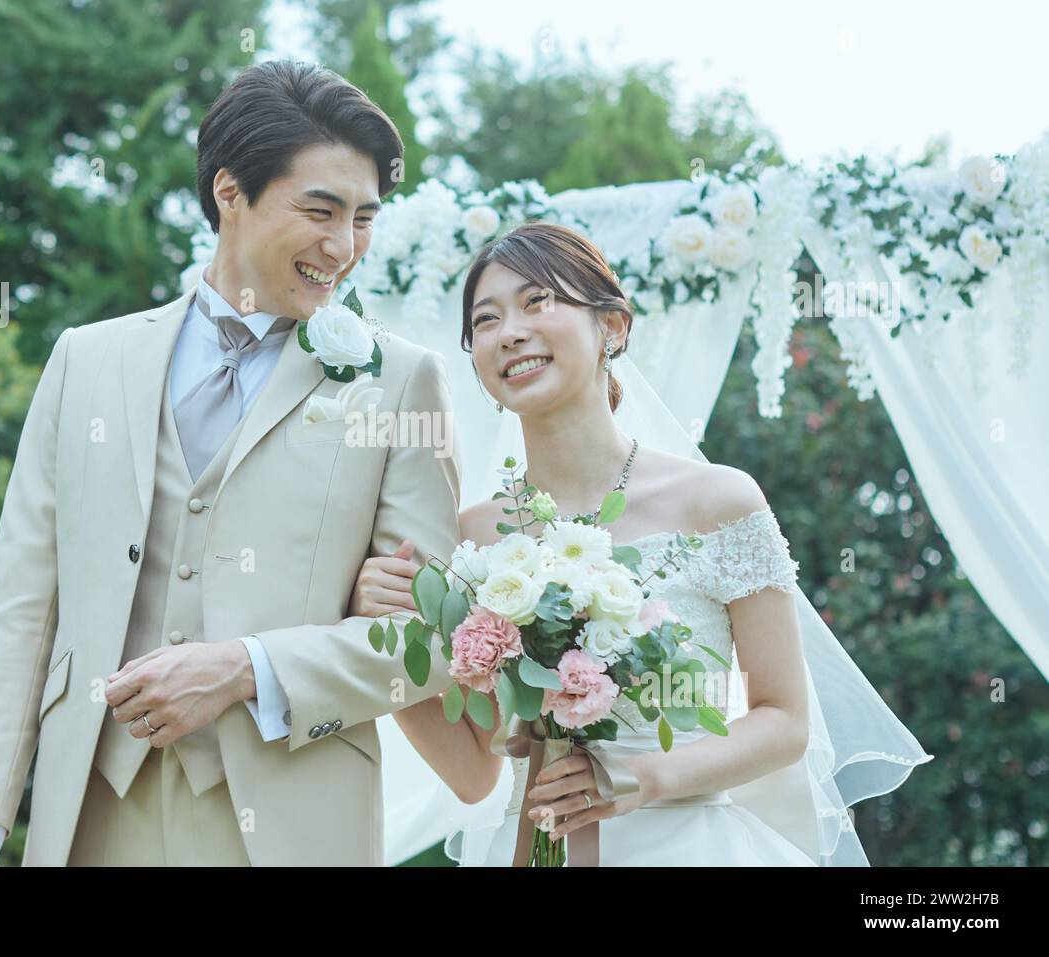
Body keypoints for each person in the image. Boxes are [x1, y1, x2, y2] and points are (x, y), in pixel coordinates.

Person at [0, 60, 462, 866]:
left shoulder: (400, 381)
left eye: (362, 217)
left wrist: (250, 668)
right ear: (229, 193)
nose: (342, 246)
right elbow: (23, 608)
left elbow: (429, 644)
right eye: (320, 211)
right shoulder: (85, 360)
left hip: (294, 818)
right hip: (92, 812)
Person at [349, 221, 930, 865]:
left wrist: (642, 779)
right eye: (485, 319)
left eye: (538, 301)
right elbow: (473, 771)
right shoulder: (473, 541)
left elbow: (784, 722)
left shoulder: (719, 502)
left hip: (689, 845)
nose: (510, 330)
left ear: (613, 327)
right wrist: (394, 632)